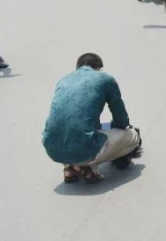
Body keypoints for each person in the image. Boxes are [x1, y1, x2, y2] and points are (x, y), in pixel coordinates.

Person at [42, 53, 141, 184]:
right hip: (85, 150)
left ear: (78, 67)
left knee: (81, 129)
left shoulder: (63, 80)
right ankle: (85, 163)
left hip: (52, 149)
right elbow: (121, 118)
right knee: (133, 135)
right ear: (98, 67)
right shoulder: (105, 78)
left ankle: (69, 167)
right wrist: (121, 128)